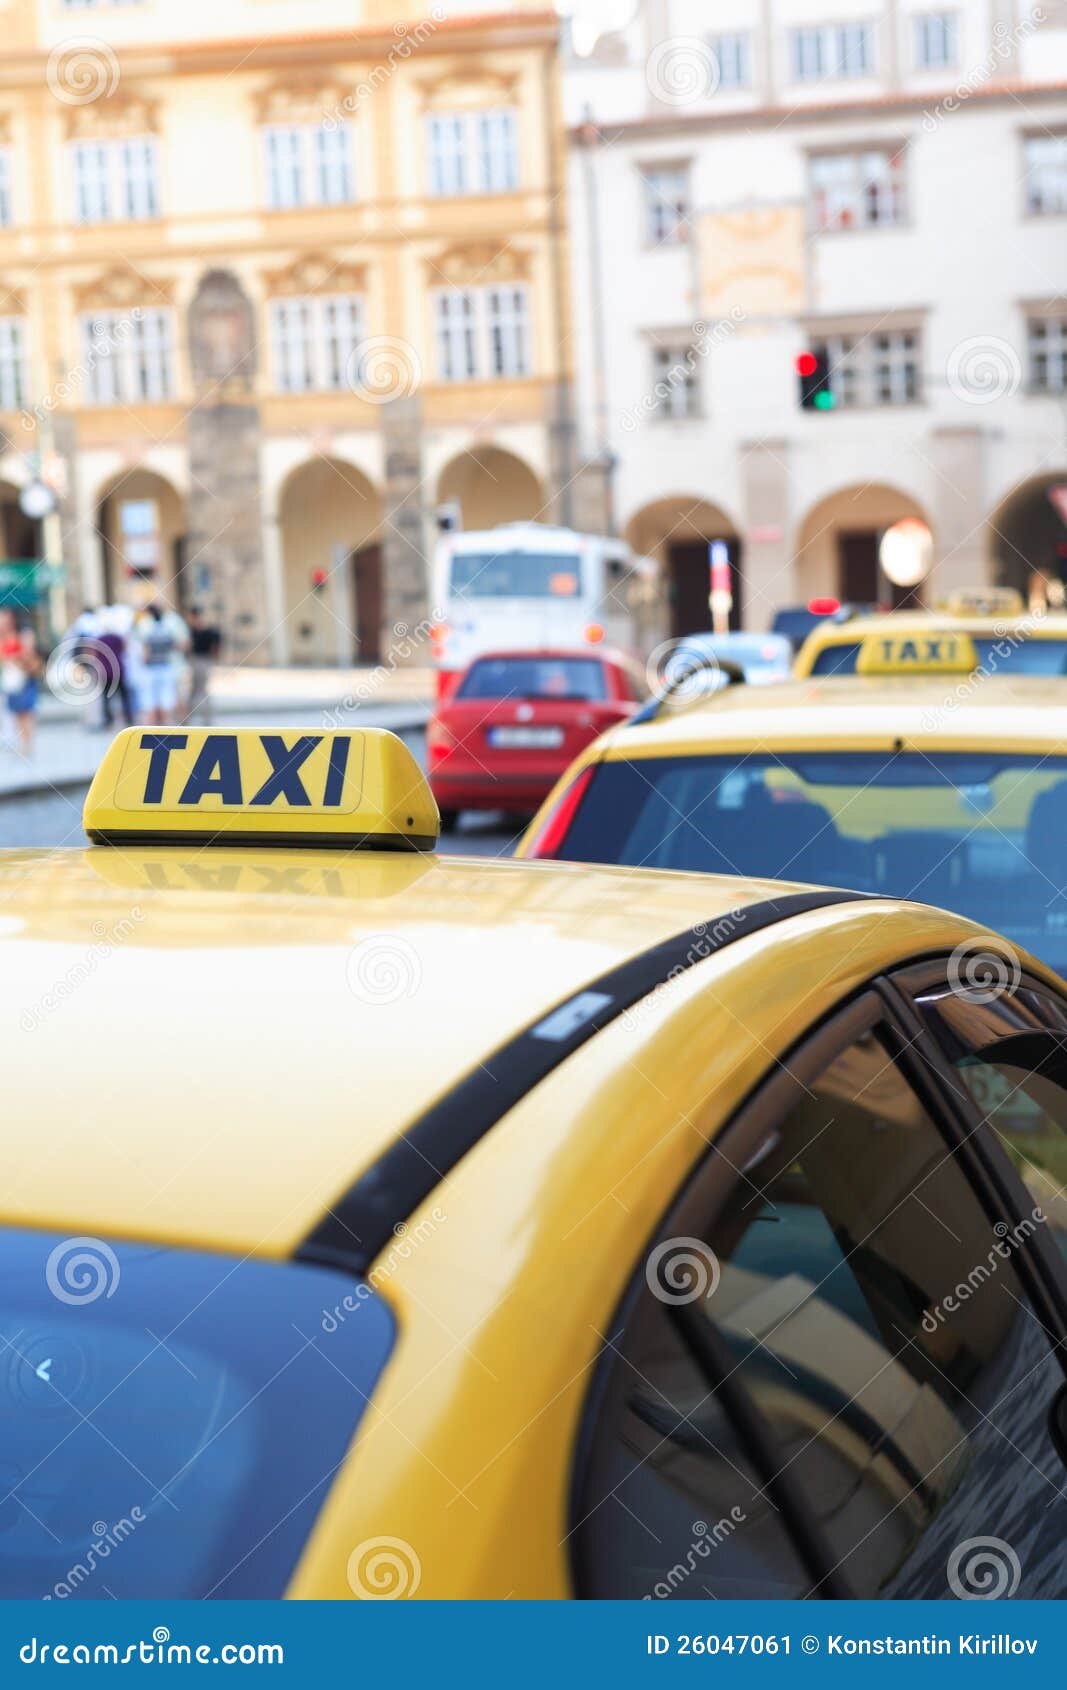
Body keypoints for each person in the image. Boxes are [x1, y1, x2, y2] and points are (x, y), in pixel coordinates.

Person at [0, 608, 41, 755]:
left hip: (24, 679)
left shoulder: (23, 635)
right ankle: (23, 743)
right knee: (18, 714)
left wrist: (15, 659)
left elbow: (29, 659)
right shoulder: (6, 637)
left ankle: (26, 745)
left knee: (25, 714)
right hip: (12, 682)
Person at [136, 602, 183, 726]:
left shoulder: (147, 629)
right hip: (166, 666)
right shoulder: (167, 630)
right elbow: (176, 646)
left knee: (150, 700)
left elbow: (145, 653)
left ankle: (153, 726)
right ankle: (165, 725)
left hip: (151, 668)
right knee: (165, 699)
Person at [185, 606, 221, 724]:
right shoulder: (194, 630)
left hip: (202, 660)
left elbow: (214, 647)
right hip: (198, 660)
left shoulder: (202, 630)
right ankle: (189, 718)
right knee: (195, 690)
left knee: (201, 690)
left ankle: (205, 719)